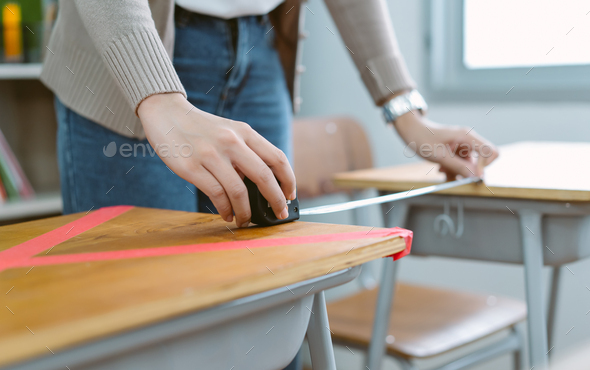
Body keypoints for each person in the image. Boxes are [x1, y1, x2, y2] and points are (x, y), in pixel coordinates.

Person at [41, 1, 498, 369]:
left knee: (272, 321)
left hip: (259, 50)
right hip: (122, 46)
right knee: (138, 330)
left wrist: (407, 114)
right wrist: (156, 97)